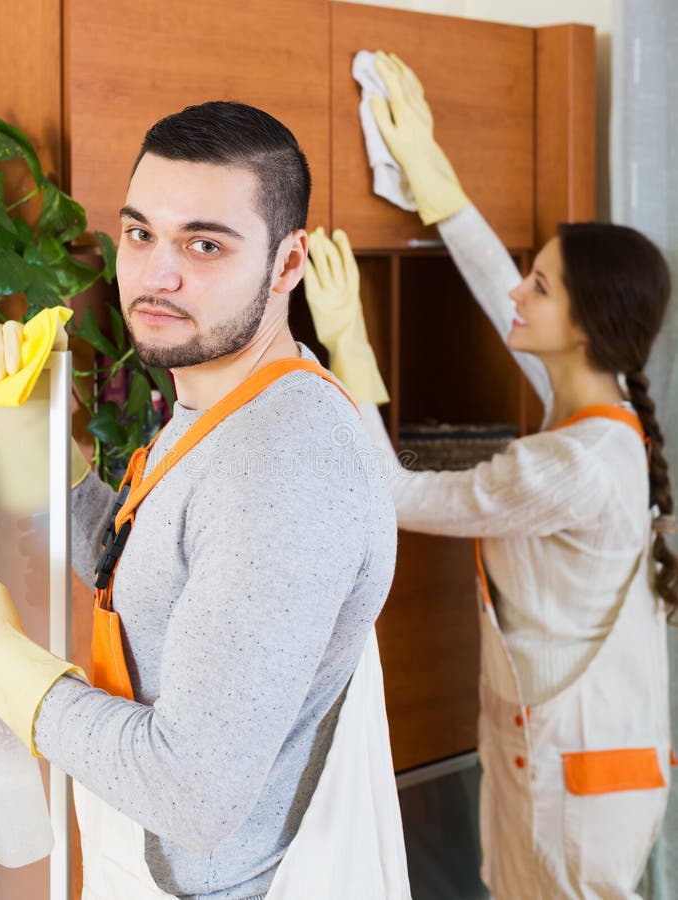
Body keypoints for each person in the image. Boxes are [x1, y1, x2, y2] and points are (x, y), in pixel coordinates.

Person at [0, 101, 411, 899]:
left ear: (289, 264)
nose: (156, 274)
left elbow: (193, 793)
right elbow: (142, 578)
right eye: (141, 233)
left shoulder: (280, 459)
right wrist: (29, 433)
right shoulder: (218, 408)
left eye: (204, 244)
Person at [304, 51, 677, 900]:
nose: (520, 295)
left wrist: (348, 350)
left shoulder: (565, 465)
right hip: (586, 772)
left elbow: (393, 494)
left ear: (581, 326)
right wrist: (443, 196)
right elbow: (500, 290)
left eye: (540, 287)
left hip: (573, 800)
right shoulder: (604, 409)